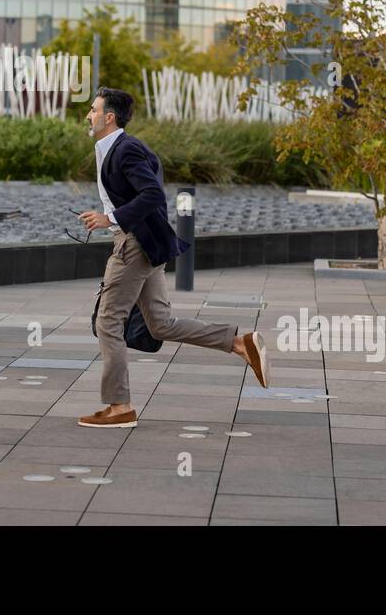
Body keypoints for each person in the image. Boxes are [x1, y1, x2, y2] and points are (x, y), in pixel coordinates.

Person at [76, 87, 270, 428]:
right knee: (160, 325)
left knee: (109, 321)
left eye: (93, 109)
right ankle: (239, 342)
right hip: (144, 244)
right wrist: (110, 218)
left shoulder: (126, 148)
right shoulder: (113, 149)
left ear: (110, 117)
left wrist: (112, 218)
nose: (88, 115)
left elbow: (152, 194)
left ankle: (120, 406)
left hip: (133, 245)